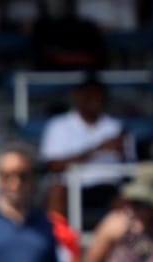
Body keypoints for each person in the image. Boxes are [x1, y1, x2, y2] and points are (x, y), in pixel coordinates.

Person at [41, 74, 131, 225]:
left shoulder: (116, 127)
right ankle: (57, 242)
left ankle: (121, 244)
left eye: (98, 96)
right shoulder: (58, 125)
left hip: (107, 186)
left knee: (128, 196)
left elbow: (130, 168)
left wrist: (123, 154)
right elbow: (54, 165)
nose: (94, 100)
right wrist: (96, 150)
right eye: (89, 95)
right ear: (77, 96)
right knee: (55, 191)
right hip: (69, 185)